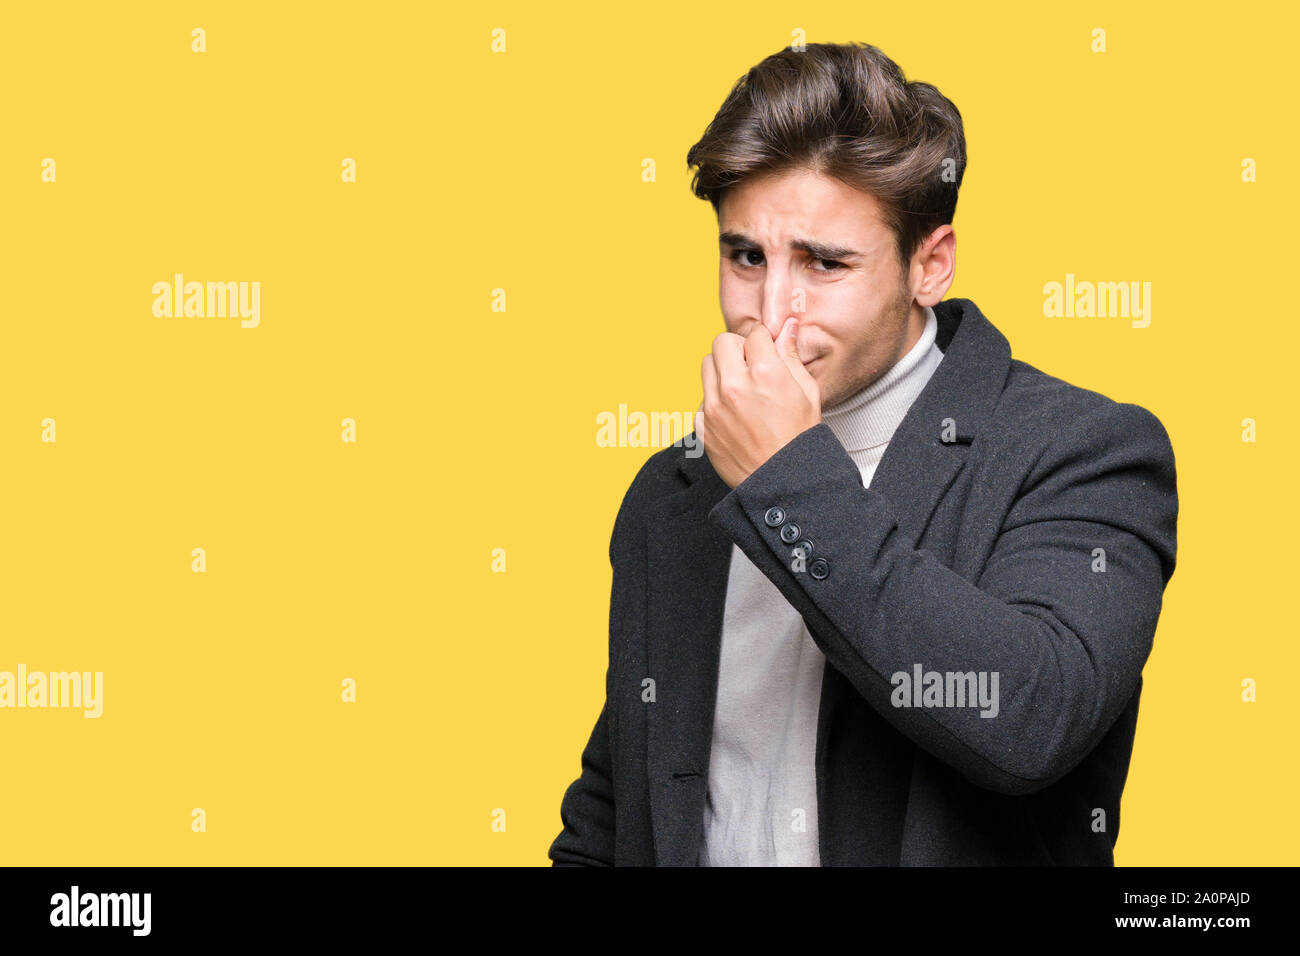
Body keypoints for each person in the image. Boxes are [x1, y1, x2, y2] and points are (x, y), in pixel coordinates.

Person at [549, 41, 1178, 866]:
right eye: (746, 257)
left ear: (930, 264)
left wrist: (784, 480)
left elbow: (1030, 718)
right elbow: (618, 805)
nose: (773, 314)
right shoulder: (671, 490)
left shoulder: (1081, 451)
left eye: (825, 263)